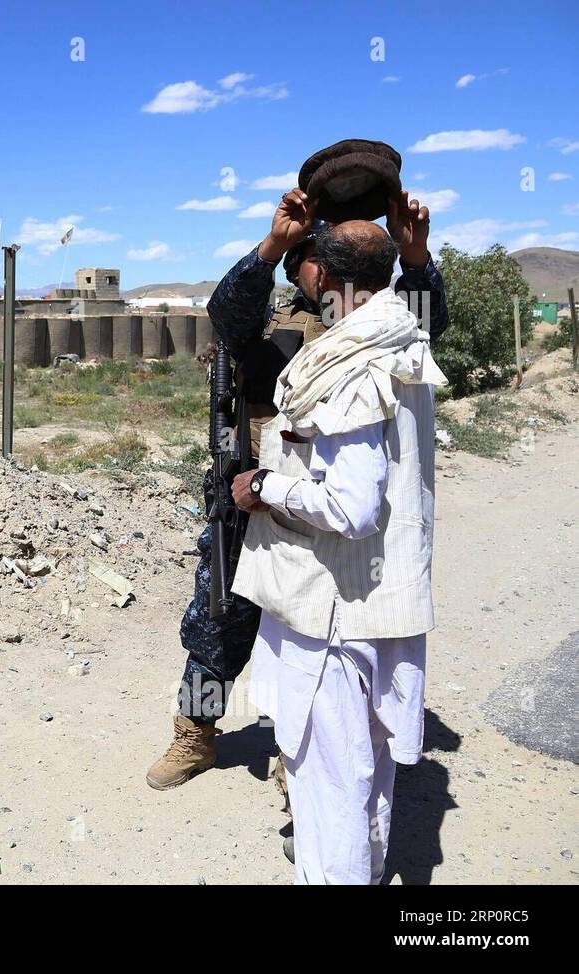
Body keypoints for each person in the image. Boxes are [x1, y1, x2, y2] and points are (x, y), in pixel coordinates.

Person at [146, 185, 446, 791]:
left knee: (308, 630)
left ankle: (298, 750)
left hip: (322, 506)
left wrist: (415, 263)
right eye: (307, 256)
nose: (317, 269)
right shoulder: (266, 314)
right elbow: (226, 313)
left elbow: (424, 323)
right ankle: (195, 731)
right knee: (217, 620)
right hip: (246, 495)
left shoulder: (366, 325)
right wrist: (272, 242)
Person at [230, 221, 445, 883]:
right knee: (365, 770)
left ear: (323, 274)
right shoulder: (403, 336)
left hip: (334, 611)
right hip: (378, 600)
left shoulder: (354, 361)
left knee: (329, 784)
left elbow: (352, 508)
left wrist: (266, 486)